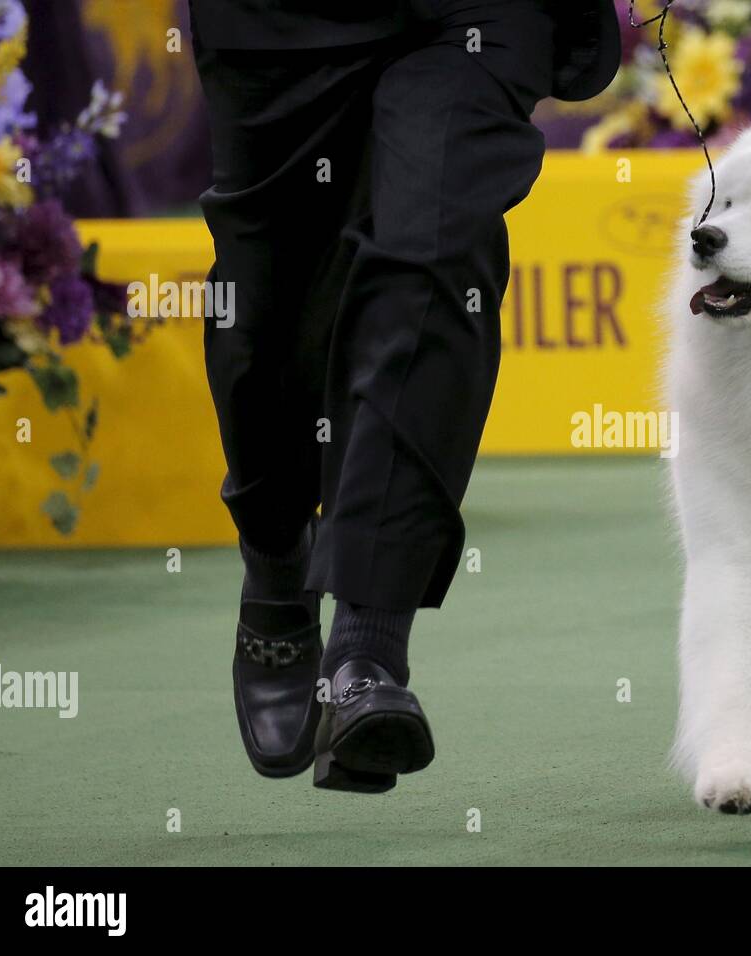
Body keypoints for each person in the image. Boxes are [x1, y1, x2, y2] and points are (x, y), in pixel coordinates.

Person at [187, 0, 620, 793]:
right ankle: (276, 551)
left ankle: (367, 649)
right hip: (275, 23)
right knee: (266, 316)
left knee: (435, 249)